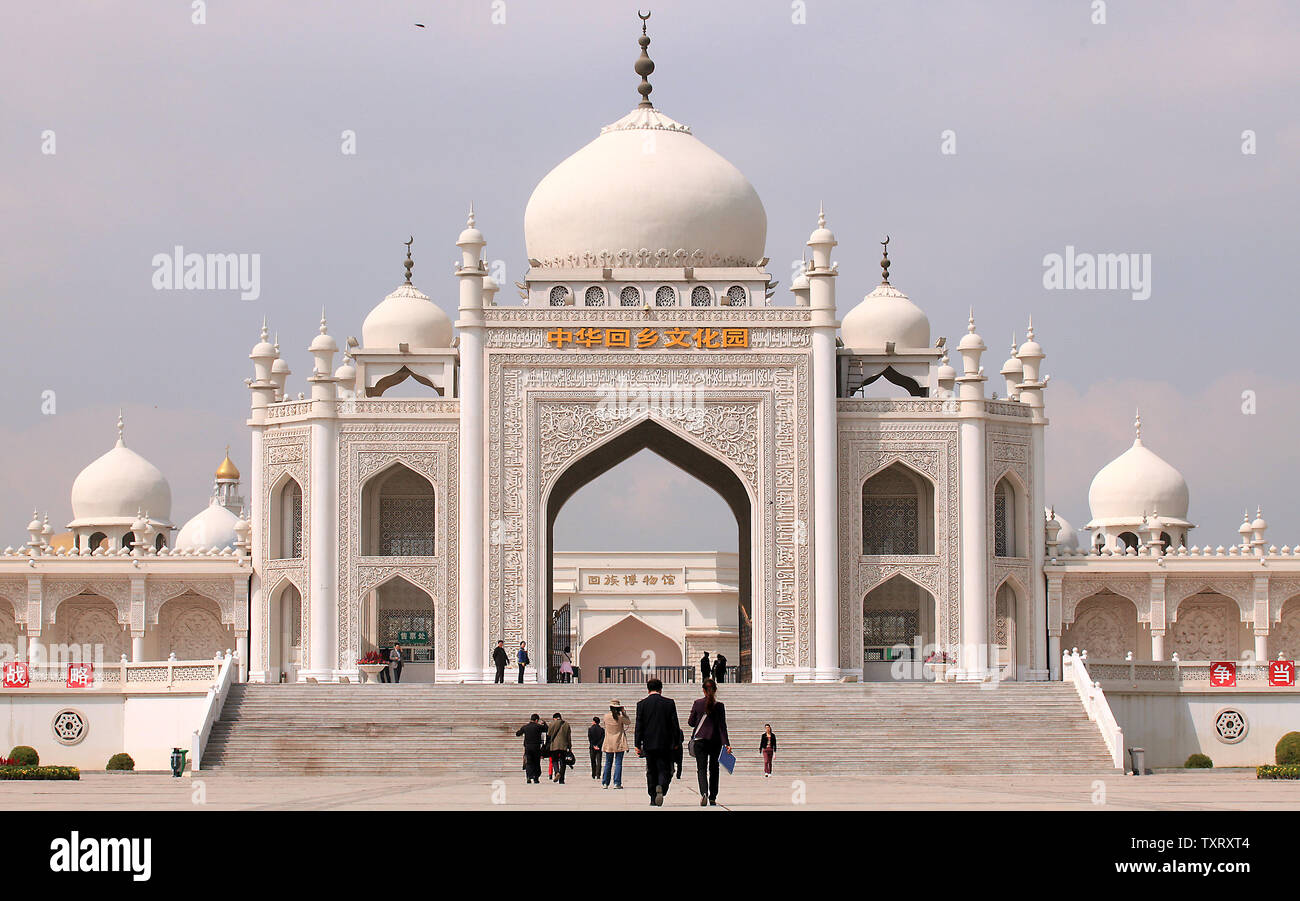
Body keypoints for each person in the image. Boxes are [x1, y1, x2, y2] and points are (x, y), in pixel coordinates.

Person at [634, 677, 680, 807]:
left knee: (651, 770)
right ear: (661, 689)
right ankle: (662, 787)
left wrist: (637, 744)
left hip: (648, 743)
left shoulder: (641, 704)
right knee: (664, 768)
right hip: (665, 743)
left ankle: (653, 797)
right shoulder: (669, 703)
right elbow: (674, 725)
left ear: (648, 689)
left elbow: (639, 726)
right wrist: (676, 741)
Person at [687, 678, 730, 806]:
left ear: (703, 690)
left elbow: (691, 722)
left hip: (700, 740)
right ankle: (713, 797)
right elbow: (722, 726)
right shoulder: (719, 706)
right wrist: (726, 743)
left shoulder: (697, 703)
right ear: (715, 690)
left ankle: (704, 792)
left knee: (701, 768)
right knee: (714, 769)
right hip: (715, 741)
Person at [601, 699, 630, 790]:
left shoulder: (606, 716)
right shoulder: (620, 717)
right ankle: (617, 783)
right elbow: (628, 722)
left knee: (608, 763)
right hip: (619, 741)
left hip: (609, 741)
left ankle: (605, 782)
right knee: (618, 763)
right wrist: (624, 713)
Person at [515, 713, 548, 784]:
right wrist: (544, 723)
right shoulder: (538, 726)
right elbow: (546, 729)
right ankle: (536, 778)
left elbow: (518, 734)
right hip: (536, 747)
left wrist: (519, 731)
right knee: (536, 763)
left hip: (528, 747)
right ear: (536, 720)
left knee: (529, 763)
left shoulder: (525, 727)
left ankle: (529, 776)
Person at [547, 712, 572, 784]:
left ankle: (557, 772)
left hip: (554, 745)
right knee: (563, 762)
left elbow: (549, 734)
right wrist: (569, 746)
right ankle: (561, 779)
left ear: (554, 718)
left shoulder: (552, 724)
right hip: (564, 746)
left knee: (554, 760)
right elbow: (568, 737)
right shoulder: (566, 724)